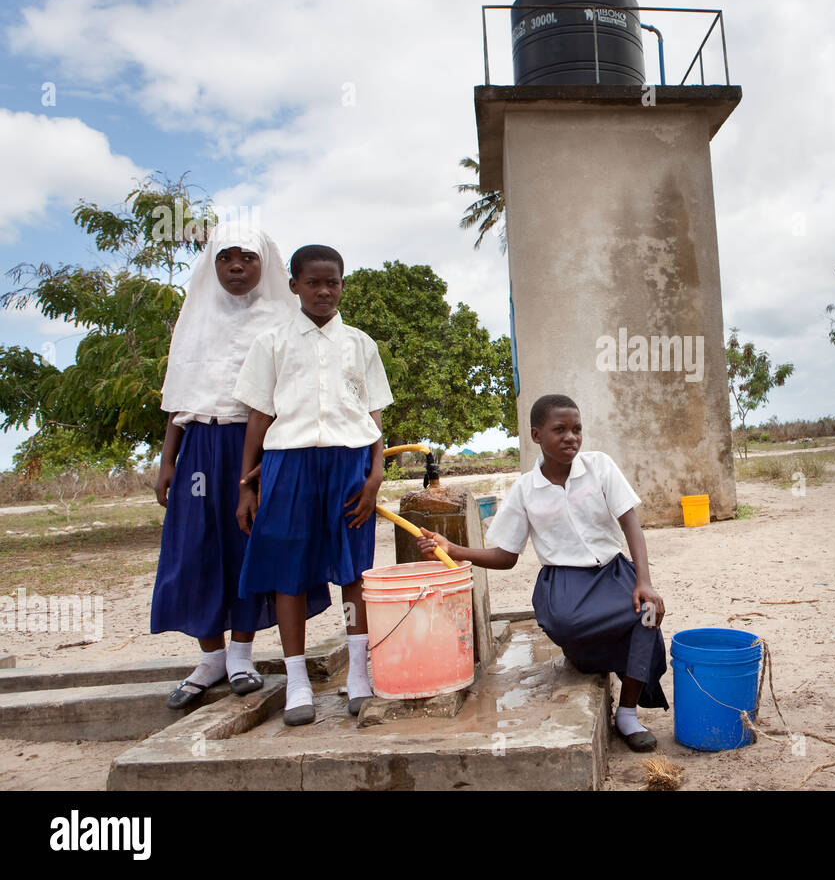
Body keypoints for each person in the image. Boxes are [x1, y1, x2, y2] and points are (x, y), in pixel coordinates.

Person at [416, 393, 669, 752]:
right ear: (537, 435)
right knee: (567, 626)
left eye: (577, 429)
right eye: (560, 429)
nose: (571, 437)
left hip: (612, 573)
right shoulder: (524, 491)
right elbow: (506, 556)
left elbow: (631, 524)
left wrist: (644, 581)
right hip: (563, 581)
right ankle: (585, 656)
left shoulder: (600, 467)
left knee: (646, 614)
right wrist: (453, 550)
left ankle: (627, 713)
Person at [151, 231, 330, 709]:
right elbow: (180, 396)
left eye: (247, 258)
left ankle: (241, 656)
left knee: (247, 543)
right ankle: (209, 657)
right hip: (200, 447)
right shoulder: (196, 317)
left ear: (264, 264)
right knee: (195, 548)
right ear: (212, 265)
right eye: (225, 258)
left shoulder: (283, 318)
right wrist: (168, 460)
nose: (235, 267)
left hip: (259, 446)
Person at [234, 244, 392, 726]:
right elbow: (259, 416)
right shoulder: (273, 342)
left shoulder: (361, 344)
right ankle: (297, 679)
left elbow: (373, 414)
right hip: (288, 466)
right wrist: (246, 484)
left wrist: (376, 472)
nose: (324, 291)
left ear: (343, 284)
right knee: (288, 573)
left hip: (349, 465)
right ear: (294, 286)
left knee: (353, 572)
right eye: (314, 282)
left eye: (334, 282)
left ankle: (360, 675)